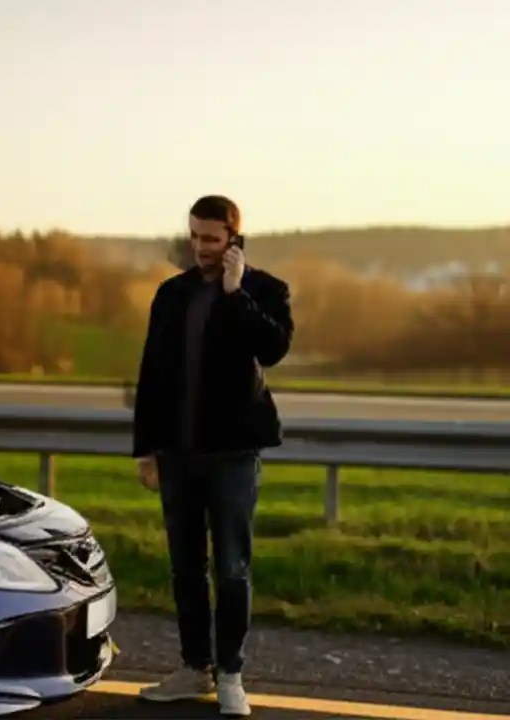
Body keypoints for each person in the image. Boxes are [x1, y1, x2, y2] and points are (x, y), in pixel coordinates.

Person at [131, 195, 293, 717]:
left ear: (233, 240)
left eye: (211, 239)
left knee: (231, 569)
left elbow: (272, 349)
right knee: (185, 569)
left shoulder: (264, 289)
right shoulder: (170, 294)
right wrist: (145, 450)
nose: (200, 247)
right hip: (177, 453)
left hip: (233, 457)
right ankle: (192, 668)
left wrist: (234, 292)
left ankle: (230, 675)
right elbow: (151, 374)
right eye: (195, 237)